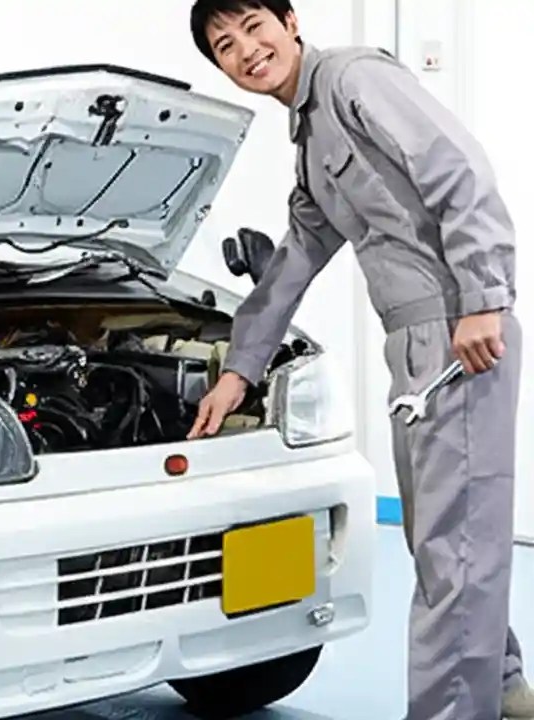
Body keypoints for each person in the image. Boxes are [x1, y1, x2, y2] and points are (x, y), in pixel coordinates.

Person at [185, 1, 529, 718]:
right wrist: (237, 370)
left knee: (452, 548)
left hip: (456, 330)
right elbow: (296, 255)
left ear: (290, 20)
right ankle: (501, 687)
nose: (247, 50)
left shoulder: (352, 79)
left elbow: (456, 170)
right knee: (444, 538)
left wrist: (483, 298)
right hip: (415, 341)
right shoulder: (309, 138)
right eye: (225, 45)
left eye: (254, 26)